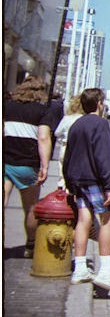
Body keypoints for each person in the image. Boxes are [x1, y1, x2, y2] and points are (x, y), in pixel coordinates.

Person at [62, 88, 110, 292]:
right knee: (108, 219)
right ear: (99, 103)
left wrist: (69, 182)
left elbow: (67, 154)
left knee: (83, 220)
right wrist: (108, 185)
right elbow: (103, 155)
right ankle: (105, 272)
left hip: (77, 179)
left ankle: (80, 268)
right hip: (94, 179)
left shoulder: (76, 124)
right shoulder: (100, 124)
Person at [3, 76, 59, 257]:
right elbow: (43, 138)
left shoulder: (6, 107)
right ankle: (30, 245)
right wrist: (45, 166)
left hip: (5, 161)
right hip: (27, 164)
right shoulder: (42, 111)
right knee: (31, 208)